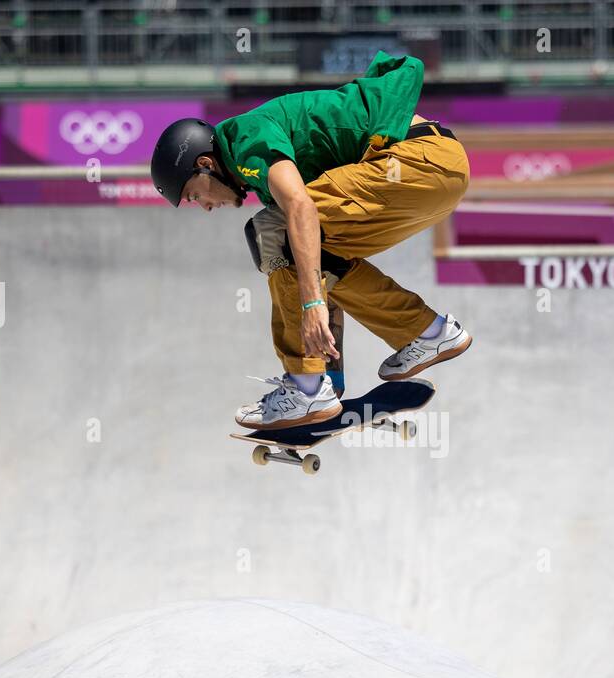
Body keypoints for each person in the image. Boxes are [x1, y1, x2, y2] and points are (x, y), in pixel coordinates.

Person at [150, 51, 472, 428]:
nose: (203, 207)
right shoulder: (256, 174)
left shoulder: (243, 139)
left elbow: (302, 207)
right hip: (434, 174)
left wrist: (311, 303)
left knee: (277, 232)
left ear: (205, 164)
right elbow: (313, 261)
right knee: (309, 251)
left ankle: (305, 387)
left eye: (193, 194)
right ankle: (422, 335)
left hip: (415, 162)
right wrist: (329, 372)